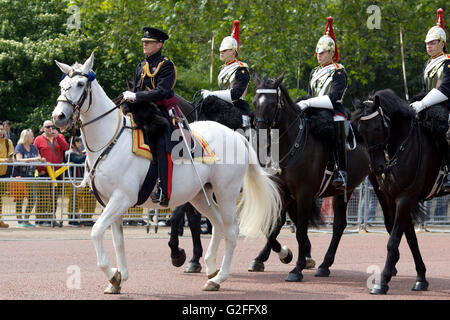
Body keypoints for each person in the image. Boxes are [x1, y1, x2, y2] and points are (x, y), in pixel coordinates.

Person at [122, 27, 179, 207]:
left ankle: (163, 188)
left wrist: (137, 97)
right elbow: (137, 89)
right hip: (141, 111)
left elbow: (163, 91)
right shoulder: (141, 65)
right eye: (144, 42)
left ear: (159, 44)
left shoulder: (166, 65)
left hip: (160, 113)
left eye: (149, 42)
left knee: (163, 143)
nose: (144, 45)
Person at [295, 17, 348, 190]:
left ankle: (341, 170)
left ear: (332, 53)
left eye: (323, 52)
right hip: (314, 109)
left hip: (333, 110)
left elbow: (333, 97)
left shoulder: (338, 71)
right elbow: (311, 94)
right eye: (318, 52)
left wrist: (308, 103)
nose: (319, 55)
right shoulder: (314, 72)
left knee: (338, 122)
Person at [409, 8, 450, 190]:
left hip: (446, 106)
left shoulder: (448, 61)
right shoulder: (428, 64)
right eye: (427, 43)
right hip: (431, 105)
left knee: (443, 129)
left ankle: (448, 170)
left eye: (432, 43)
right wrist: (412, 103)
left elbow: (444, 89)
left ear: (442, 43)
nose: (428, 46)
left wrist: (422, 103)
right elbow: (426, 90)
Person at [200, 20, 252, 130]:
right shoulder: (221, 69)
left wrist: (212, 94)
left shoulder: (241, 69)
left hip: (238, 107)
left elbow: (236, 94)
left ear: (233, 52)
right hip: (221, 106)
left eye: (224, 50)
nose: (221, 52)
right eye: (220, 51)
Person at [33, 120, 69, 226]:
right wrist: (40, 169)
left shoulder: (60, 137)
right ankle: (41, 219)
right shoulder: (38, 139)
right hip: (44, 172)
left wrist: (57, 136)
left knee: (54, 196)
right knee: (43, 196)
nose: (50, 128)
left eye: (52, 126)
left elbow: (65, 148)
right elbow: (36, 154)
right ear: (43, 128)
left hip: (57, 173)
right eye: (47, 127)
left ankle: (51, 217)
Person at [13, 129, 45, 227]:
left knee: (32, 198)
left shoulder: (34, 147)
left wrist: (42, 160)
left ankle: (26, 218)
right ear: (26, 137)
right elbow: (19, 159)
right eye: (32, 136)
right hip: (20, 177)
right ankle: (20, 220)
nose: (33, 138)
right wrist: (33, 159)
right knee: (20, 199)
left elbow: (39, 157)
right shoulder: (19, 147)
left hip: (31, 177)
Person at [65, 136, 96, 227]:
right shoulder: (69, 153)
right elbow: (76, 160)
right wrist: (87, 155)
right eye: (78, 142)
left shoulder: (81, 153)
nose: (80, 144)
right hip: (73, 180)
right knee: (75, 199)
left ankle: (86, 218)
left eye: (80, 142)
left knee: (91, 198)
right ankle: (72, 218)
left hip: (83, 179)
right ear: (73, 144)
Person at [0, 123, 14, 228]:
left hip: (3, 174)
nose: (1, 131)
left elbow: (11, 155)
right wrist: (2, 160)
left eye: (1, 129)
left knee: (0, 199)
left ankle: (0, 220)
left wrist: (9, 159)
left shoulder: (8, 142)